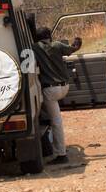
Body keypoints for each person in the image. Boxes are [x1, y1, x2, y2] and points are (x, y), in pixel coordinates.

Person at [27, 15, 81, 165]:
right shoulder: (57, 45)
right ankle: (56, 148)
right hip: (65, 87)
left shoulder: (34, 48)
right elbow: (74, 48)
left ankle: (60, 154)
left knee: (55, 121)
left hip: (50, 91)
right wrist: (77, 42)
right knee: (54, 116)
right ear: (49, 36)